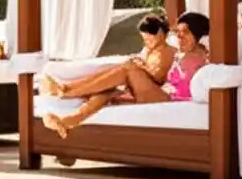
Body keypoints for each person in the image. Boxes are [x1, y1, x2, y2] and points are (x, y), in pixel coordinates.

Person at [43, 12, 210, 138]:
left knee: (128, 68)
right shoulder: (181, 53)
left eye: (185, 32)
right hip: (162, 93)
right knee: (110, 90)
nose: (179, 37)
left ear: (198, 34)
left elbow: (167, 78)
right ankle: (69, 120)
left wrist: (142, 70)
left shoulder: (201, 56)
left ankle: (66, 90)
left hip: (169, 99)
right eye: (178, 32)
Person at [42, 14, 175, 99]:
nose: (146, 43)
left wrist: (142, 66)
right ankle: (67, 87)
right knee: (118, 68)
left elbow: (159, 77)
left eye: (149, 39)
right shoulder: (150, 50)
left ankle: (68, 92)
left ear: (160, 34)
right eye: (144, 39)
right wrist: (138, 62)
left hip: (154, 92)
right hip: (142, 85)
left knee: (126, 68)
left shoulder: (169, 52)